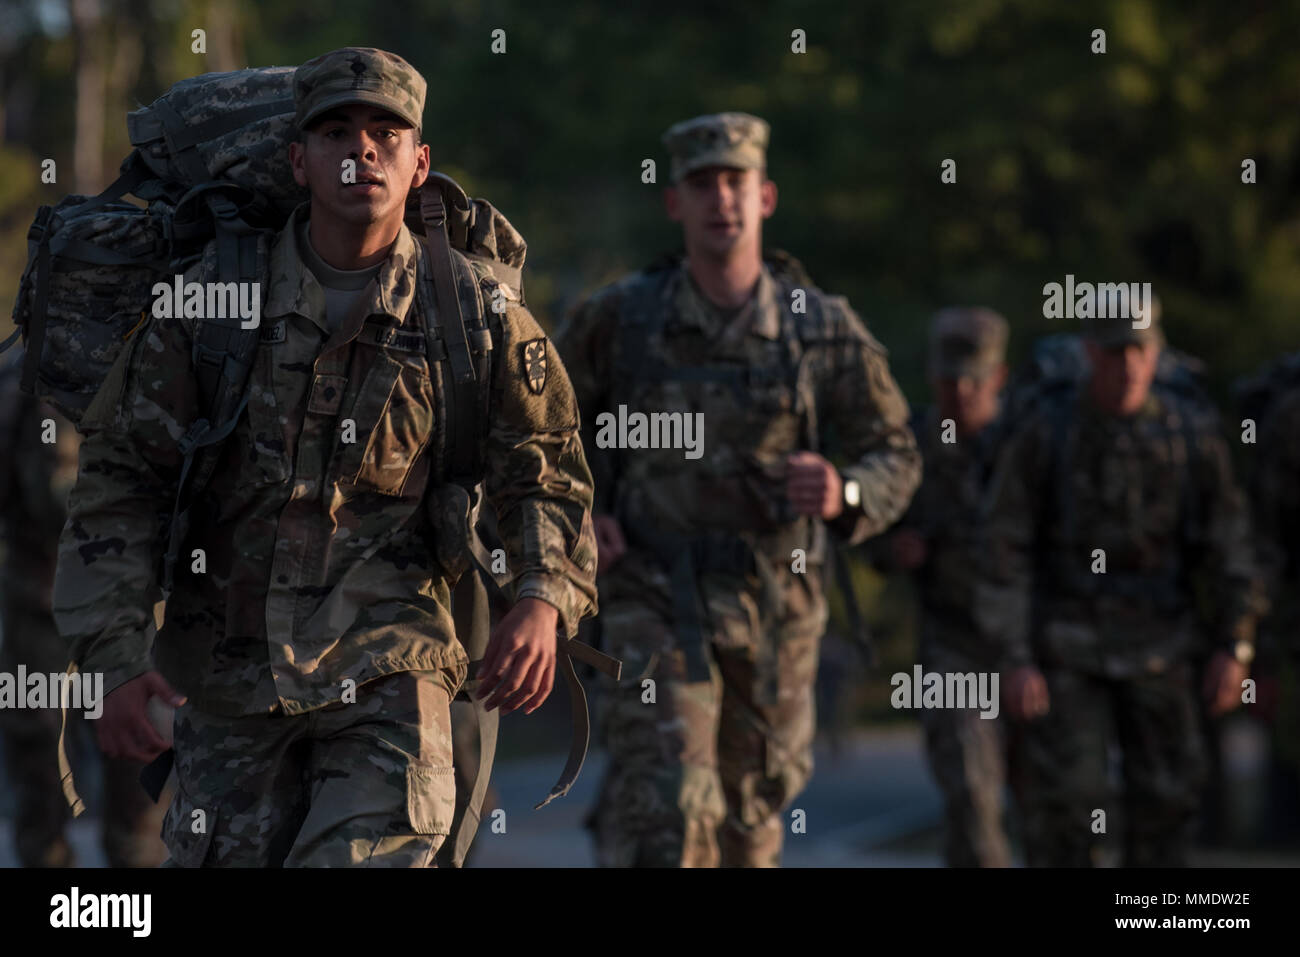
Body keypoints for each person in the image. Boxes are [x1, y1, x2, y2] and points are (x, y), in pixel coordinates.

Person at [52, 47, 598, 867]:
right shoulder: (210, 305)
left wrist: (543, 595)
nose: (362, 149)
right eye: (336, 131)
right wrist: (115, 657)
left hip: (394, 664)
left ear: (420, 164)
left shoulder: (472, 315)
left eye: (387, 132)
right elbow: (122, 485)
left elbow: (545, 466)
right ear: (298, 161)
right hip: (229, 673)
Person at [555, 112, 921, 867]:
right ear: (675, 204)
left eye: (736, 181)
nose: (720, 198)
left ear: (766, 197)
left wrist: (846, 492)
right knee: (673, 803)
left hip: (777, 606)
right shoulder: (619, 320)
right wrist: (580, 514)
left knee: (750, 822)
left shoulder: (819, 329)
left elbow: (896, 451)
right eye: (702, 183)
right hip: (654, 593)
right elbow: (539, 435)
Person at [976, 304, 1263, 866]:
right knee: (1068, 807)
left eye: (1140, 351)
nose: (1128, 367)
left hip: (1164, 646)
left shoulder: (1189, 435)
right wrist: (1013, 657)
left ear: (1157, 354)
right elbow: (1003, 551)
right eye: (1114, 352)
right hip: (1067, 647)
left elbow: (1230, 547)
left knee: (1167, 805)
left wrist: (1237, 643)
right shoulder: (1047, 430)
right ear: (1089, 354)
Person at [0, 353, 169, 867]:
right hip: (44, 605)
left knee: (139, 782)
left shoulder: (165, 357)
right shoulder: (21, 376)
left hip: (131, 611)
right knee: (40, 778)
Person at [871, 307, 1014, 867]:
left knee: (1064, 803)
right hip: (953, 645)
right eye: (950, 380)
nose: (961, 393)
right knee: (970, 792)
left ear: (998, 378)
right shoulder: (913, 446)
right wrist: (894, 549)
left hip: (1037, 642)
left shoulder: (1027, 443)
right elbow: (868, 524)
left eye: (974, 380)